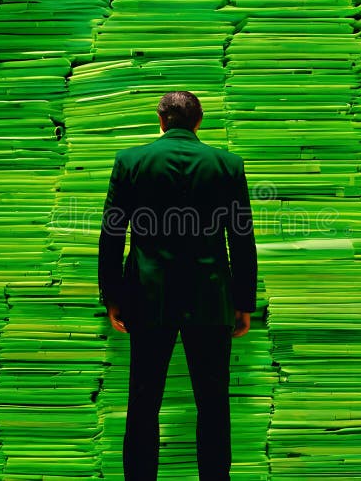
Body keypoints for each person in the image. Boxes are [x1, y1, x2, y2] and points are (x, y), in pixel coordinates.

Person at [97, 90, 258, 480]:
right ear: (199, 122)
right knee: (214, 404)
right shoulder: (228, 165)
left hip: (148, 297)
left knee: (143, 402)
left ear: (161, 120)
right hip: (210, 297)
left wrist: (113, 295)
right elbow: (241, 239)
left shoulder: (130, 162)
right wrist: (243, 301)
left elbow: (112, 235)